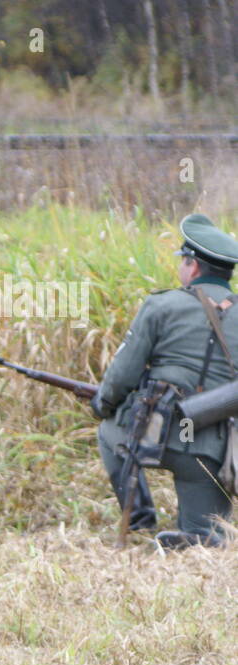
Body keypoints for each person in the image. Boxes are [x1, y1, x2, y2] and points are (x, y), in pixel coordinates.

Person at [92, 213, 238, 549]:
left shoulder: (162, 305)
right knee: (207, 539)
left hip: (153, 434)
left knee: (109, 431)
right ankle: (186, 540)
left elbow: (122, 375)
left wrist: (102, 404)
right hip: (212, 448)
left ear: (193, 266)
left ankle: (141, 522)